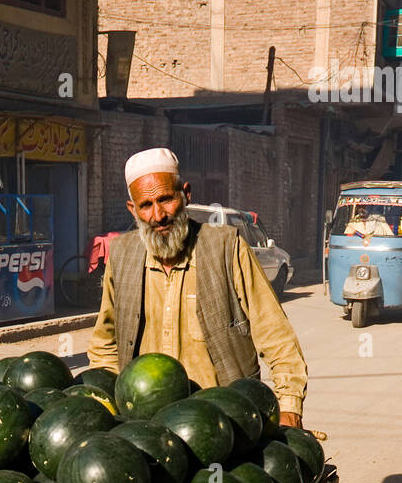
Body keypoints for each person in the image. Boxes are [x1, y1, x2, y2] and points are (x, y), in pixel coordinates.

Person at [88, 149, 307, 428]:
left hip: (222, 422)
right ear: (133, 209)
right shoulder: (121, 255)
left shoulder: (226, 247)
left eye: (165, 199)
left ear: (185, 194)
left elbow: (275, 334)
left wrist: (289, 405)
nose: (158, 215)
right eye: (146, 205)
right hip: (146, 427)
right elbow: (104, 344)